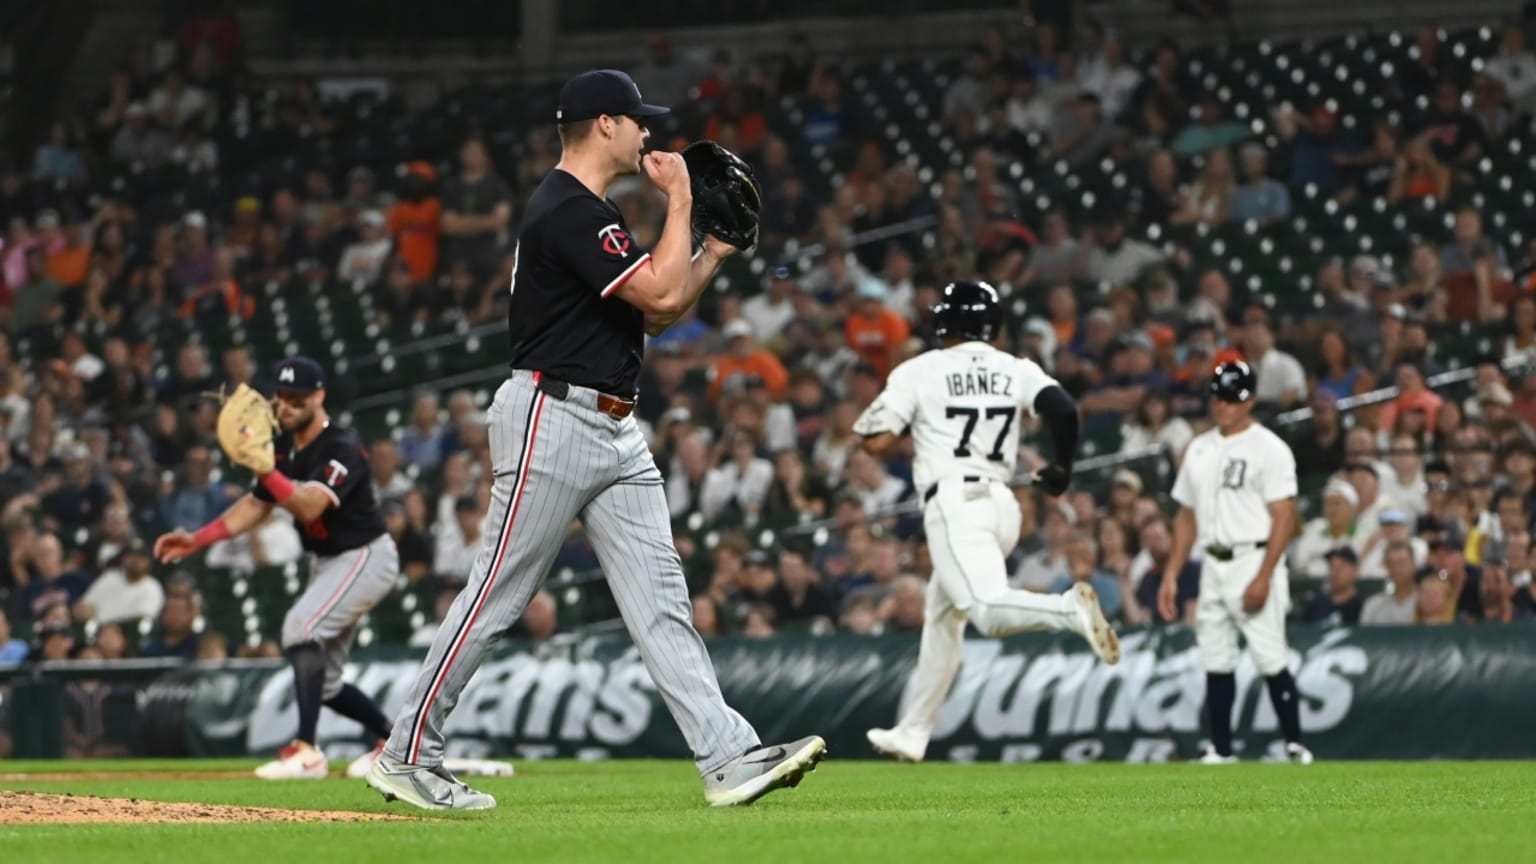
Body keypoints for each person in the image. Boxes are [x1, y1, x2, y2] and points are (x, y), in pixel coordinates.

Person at [368, 70, 823, 812]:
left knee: (661, 598)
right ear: (603, 124)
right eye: (638, 120)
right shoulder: (570, 209)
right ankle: (406, 753)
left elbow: (658, 314)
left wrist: (710, 254)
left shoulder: (591, 212)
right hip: (555, 414)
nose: (650, 134)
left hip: (612, 423)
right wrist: (680, 203)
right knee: (495, 596)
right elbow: (661, 296)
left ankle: (728, 755)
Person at [854, 281, 1119, 763]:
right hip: (1002, 504)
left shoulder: (921, 369)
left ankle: (1068, 611)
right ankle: (913, 731)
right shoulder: (1014, 367)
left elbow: (876, 441)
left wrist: (890, 425)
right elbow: (1064, 409)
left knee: (986, 611)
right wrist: (1062, 468)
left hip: (956, 503)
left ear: (944, 323)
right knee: (942, 615)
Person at [154, 357, 400, 782]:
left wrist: (267, 469)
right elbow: (255, 505)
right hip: (326, 561)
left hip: (365, 555)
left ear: (319, 396)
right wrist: (198, 538)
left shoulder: (340, 445)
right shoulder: (283, 447)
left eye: (297, 398)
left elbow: (308, 505)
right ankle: (395, 745)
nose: (286, 406)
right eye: (281, 398)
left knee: (300, 630)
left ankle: (307, 752)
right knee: (324, 683)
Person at [1158, 360, 1314, 764]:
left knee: (1269, 655)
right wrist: (1172, 574)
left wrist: (1264, 576)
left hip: (1253, 555)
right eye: (1219, 397)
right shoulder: (1199, 447)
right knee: (1215, 657)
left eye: (1233, 398)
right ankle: (1222, 750)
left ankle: (1296, 746)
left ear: (1251, 401)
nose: (1224, 405)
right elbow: (1186, 516)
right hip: (1212, 561)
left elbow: (1284, 517)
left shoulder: (1269, 448)